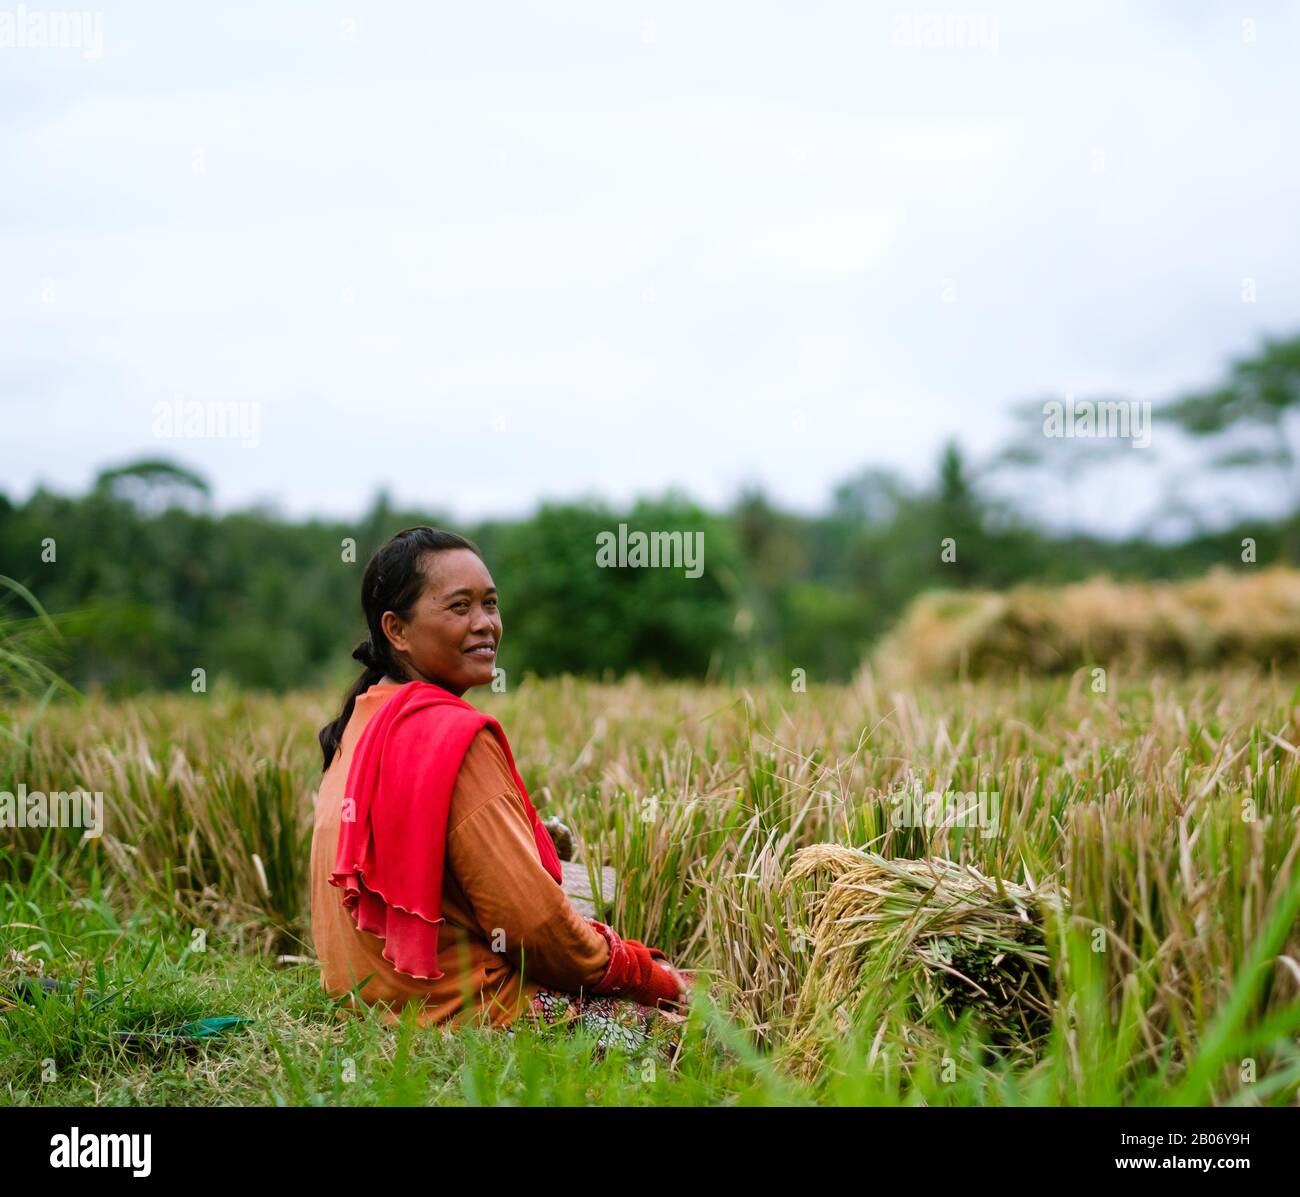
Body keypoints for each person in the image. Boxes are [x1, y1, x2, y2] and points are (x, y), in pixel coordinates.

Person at [309, 526, 689, 1056]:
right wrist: (646, 973)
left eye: (490, 603)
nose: (485, 623)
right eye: (459, 607)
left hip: (376, 1006)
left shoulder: (361, 724)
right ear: (396, 629)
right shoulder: (453, 738)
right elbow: (535, 929)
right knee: (716, 1031)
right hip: (476, 1015)